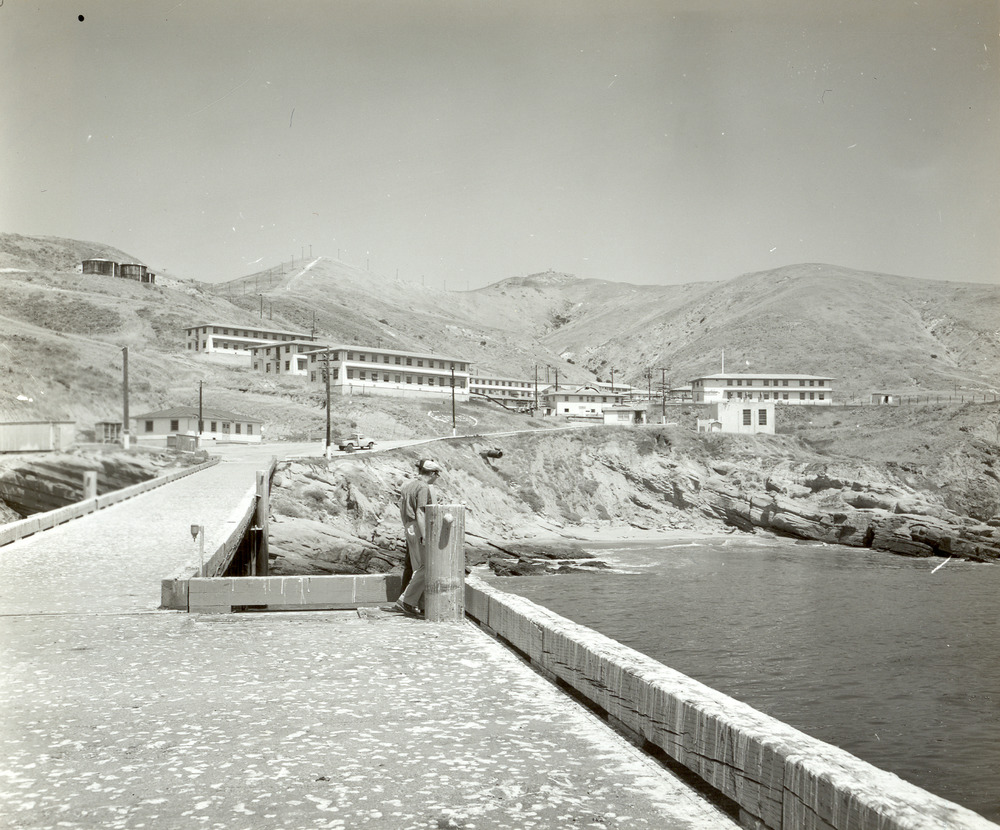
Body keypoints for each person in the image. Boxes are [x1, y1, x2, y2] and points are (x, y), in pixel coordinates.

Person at [395, 459, 441, 618]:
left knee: (418, 568)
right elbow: (420, 512)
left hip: (409, 527)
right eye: (437, 475)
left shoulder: (408, 485)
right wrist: (425, 535)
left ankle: (420, 605)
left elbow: (403, 511)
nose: (437, 478)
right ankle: (406, 601)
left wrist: (409, 529)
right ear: (433, 473)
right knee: (428, 566)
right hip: (418, 527)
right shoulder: (423, 487)